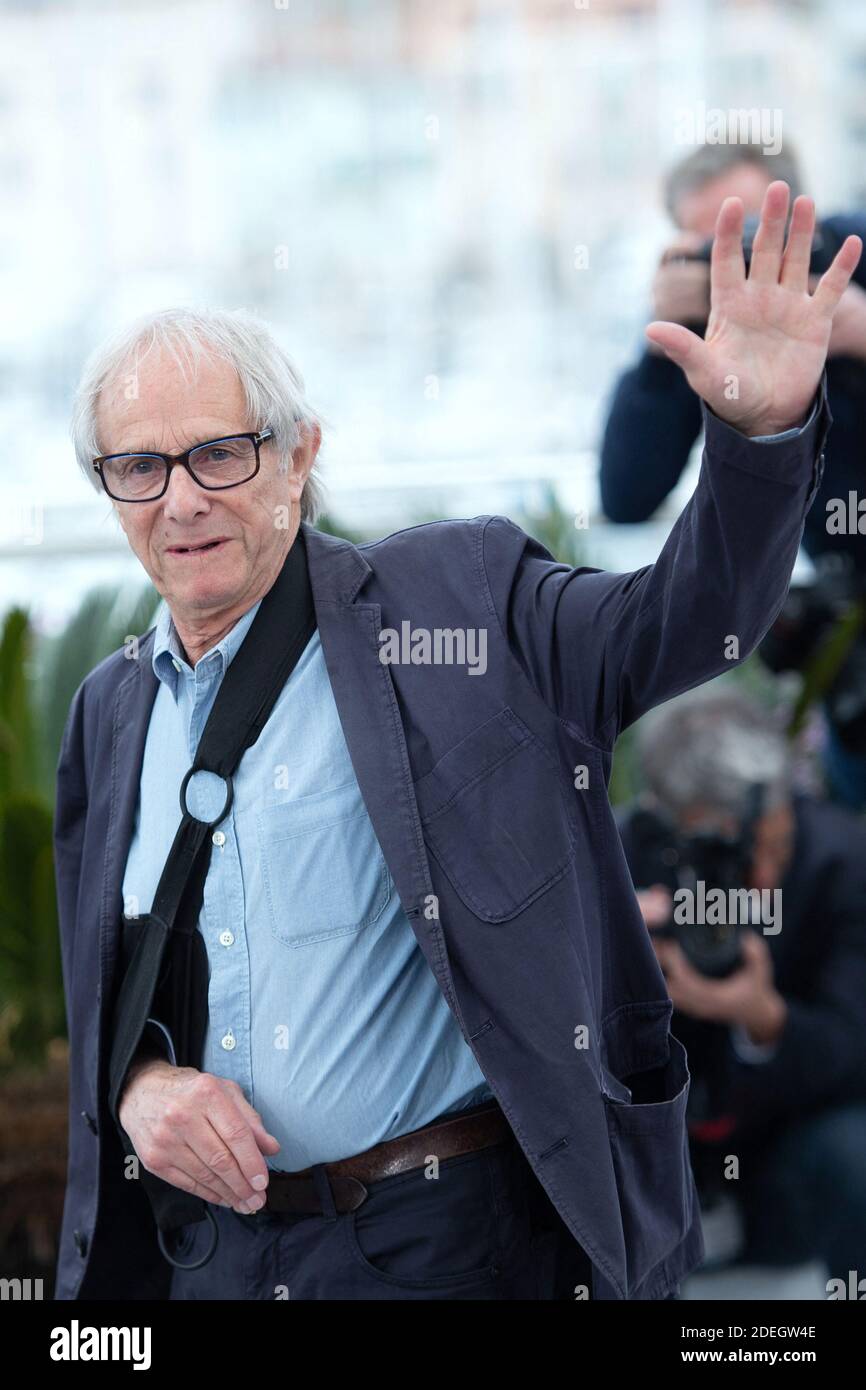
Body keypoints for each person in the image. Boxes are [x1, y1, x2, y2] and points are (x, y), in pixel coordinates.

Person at [53, 183, 860, 1301]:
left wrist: (758, 435)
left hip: (441, 1246)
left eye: (220, 454)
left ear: (299, 456)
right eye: (139, 467)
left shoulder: (458, 601)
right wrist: (139, 1085)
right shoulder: (109, 711)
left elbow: (682, 619)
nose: (181, 499)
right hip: (214, 1260)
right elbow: (113, 992)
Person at [599, 142, 866, 809]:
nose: (743, 252)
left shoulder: (855, 253)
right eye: (711, 238)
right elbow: (627, 494)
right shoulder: (716, 327)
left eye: (750, 226)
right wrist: (666, 343)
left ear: (801, 211)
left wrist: (860, 335)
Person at [616, 691, 866, 1285]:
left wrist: (766, 1021)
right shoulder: (621, 861)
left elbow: (854, 1049)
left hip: (778, 1163)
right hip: (652, 1173)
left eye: (776, 848)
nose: (760, 883)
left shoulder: (842, 861)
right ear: (671, 819)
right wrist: (617, 970)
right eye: (731, 858)